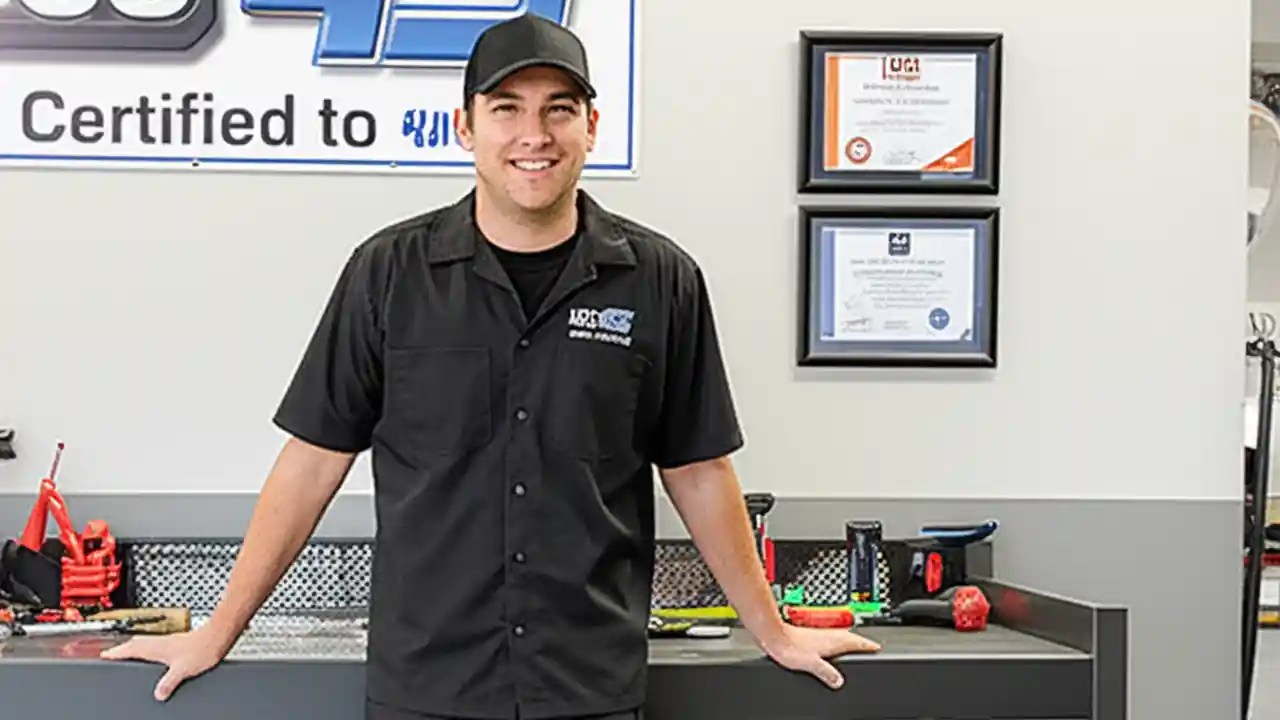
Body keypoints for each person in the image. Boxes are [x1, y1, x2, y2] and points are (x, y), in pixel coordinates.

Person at [100, 12, 881, 719]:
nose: (532, 134)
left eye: (558, 110)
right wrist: (216, 631)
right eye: (506, 109)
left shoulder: (659, 280)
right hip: (428, 688)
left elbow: (700, 471)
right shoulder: (388, 275)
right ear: (465, 128)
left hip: (588, 687)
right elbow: (311, 461)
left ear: (591, 127)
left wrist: (773, 631)